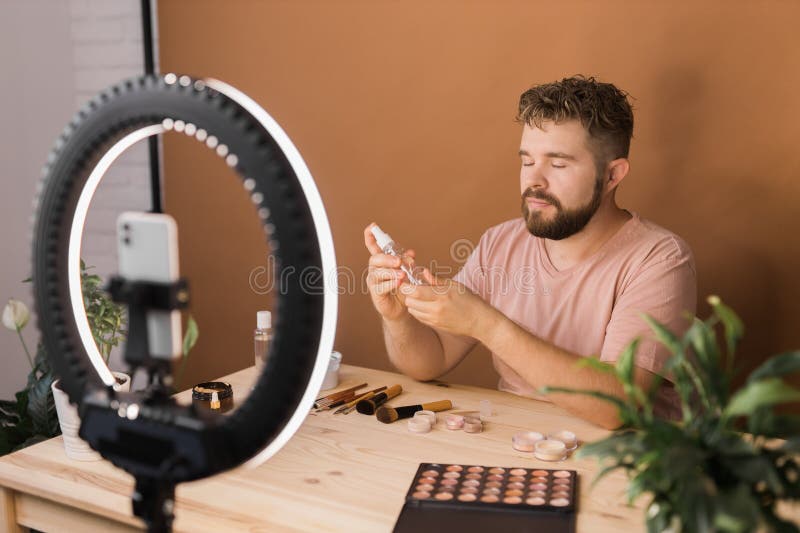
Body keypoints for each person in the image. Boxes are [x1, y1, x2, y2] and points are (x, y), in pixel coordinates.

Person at [363, 75, 696, 429]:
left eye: (558, 164)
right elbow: (430, 361)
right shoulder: (500, 244)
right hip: (519, 447)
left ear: (613, 175)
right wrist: (398, 319)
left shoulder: (660, 259)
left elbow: (617, 407)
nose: (534, 180)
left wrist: (485, 324)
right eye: (526, 161)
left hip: (622, 461)